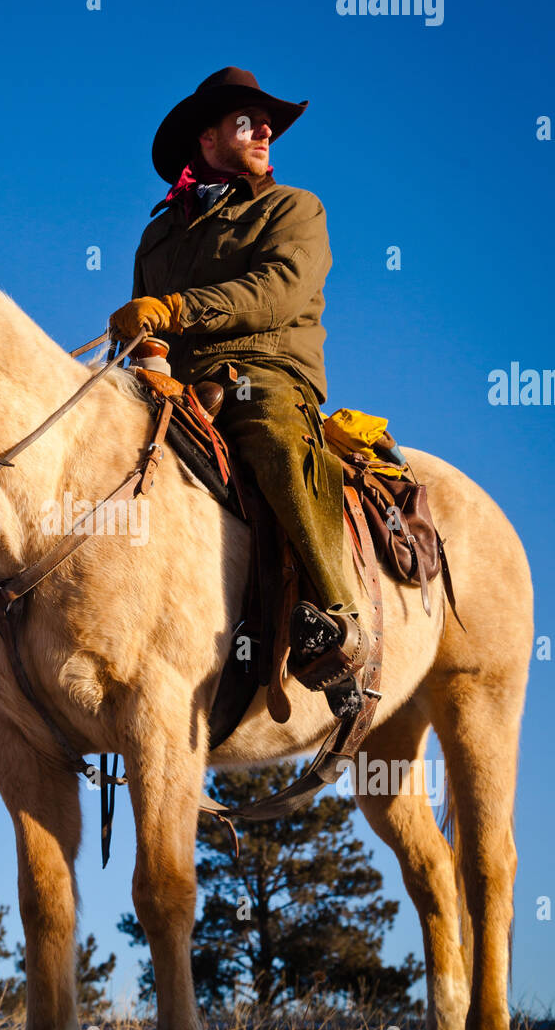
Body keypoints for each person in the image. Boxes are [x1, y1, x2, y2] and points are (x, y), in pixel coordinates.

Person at [109, 66, 367, 718]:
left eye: (268, 123)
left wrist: (171, 309)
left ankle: (334, 624)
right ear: (207, 140)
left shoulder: (292, 208)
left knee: (274, 434)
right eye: (247, 122)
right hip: (175, 388)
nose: (265, 132)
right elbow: (150, 325)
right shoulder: (157, 236)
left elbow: (277, 291)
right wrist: (144, 349)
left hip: (262, 371)